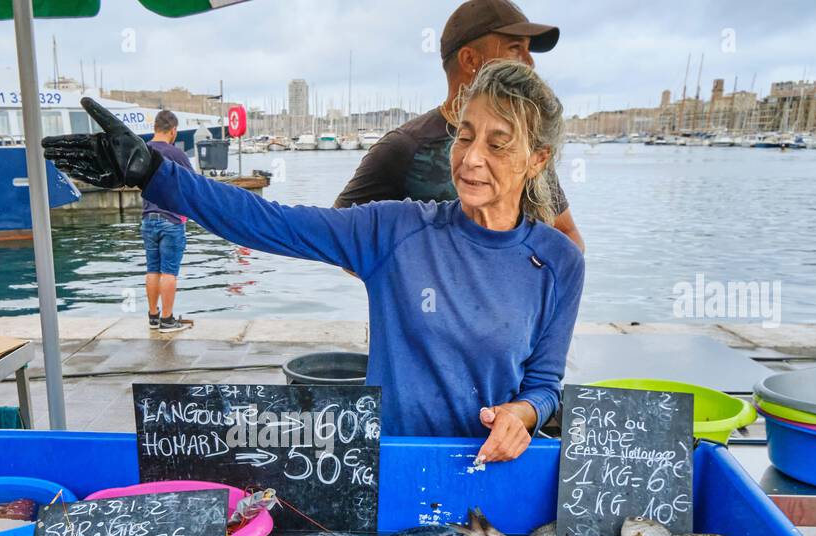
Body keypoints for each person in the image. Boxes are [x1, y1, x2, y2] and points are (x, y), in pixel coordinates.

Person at [45, 62, 584, 463]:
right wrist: (154, 173)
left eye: (497, 144)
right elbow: (270, 221)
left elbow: (543, 381)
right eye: (465, 135)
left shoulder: (559, 261)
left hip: (496, 469)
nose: (470, 158)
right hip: (388, 464)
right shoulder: (397, 229)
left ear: (537, 159)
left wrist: (523, 415)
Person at [336, 0, 584, 253]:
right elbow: (341, 236)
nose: (529, 62)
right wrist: (406, 278)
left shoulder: (526, 144)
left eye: (497, 145)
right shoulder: (405, 147)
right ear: (470, 59)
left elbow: (567, 235)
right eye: (515, 48)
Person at [140, 110, 195, 333]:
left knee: (152, 269)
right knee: (169, 272)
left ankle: (153, 316)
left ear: (155, 129)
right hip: (171, 219)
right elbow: (194, 184)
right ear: (173, 131)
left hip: (147, 218)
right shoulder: (176, 154)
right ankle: (167, 320)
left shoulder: (143, 151)